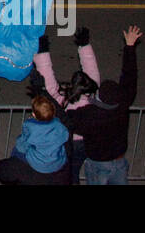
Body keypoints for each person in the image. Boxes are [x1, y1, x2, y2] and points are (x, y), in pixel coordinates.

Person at [62, 26, 141, 184]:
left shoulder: (90, 115)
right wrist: (130, 47)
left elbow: (66, 117)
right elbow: (130, 76)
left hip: (98, 165)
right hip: (119, 162)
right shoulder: (123, 104)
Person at [31, 27, 99, 184]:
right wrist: (84, 45)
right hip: (87, 141)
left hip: (66, 142)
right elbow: (92, 69)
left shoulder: (62, 101)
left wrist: (42, 52)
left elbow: (48, 82)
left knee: (69, 173)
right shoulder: (92, 96)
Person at [0, 93, 70, 184]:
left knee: (18, 151)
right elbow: (65, 137)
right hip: (57, 162)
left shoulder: (30, 126)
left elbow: (23, 144)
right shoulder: (60, 126)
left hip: (38, 163)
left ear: (34, 114)